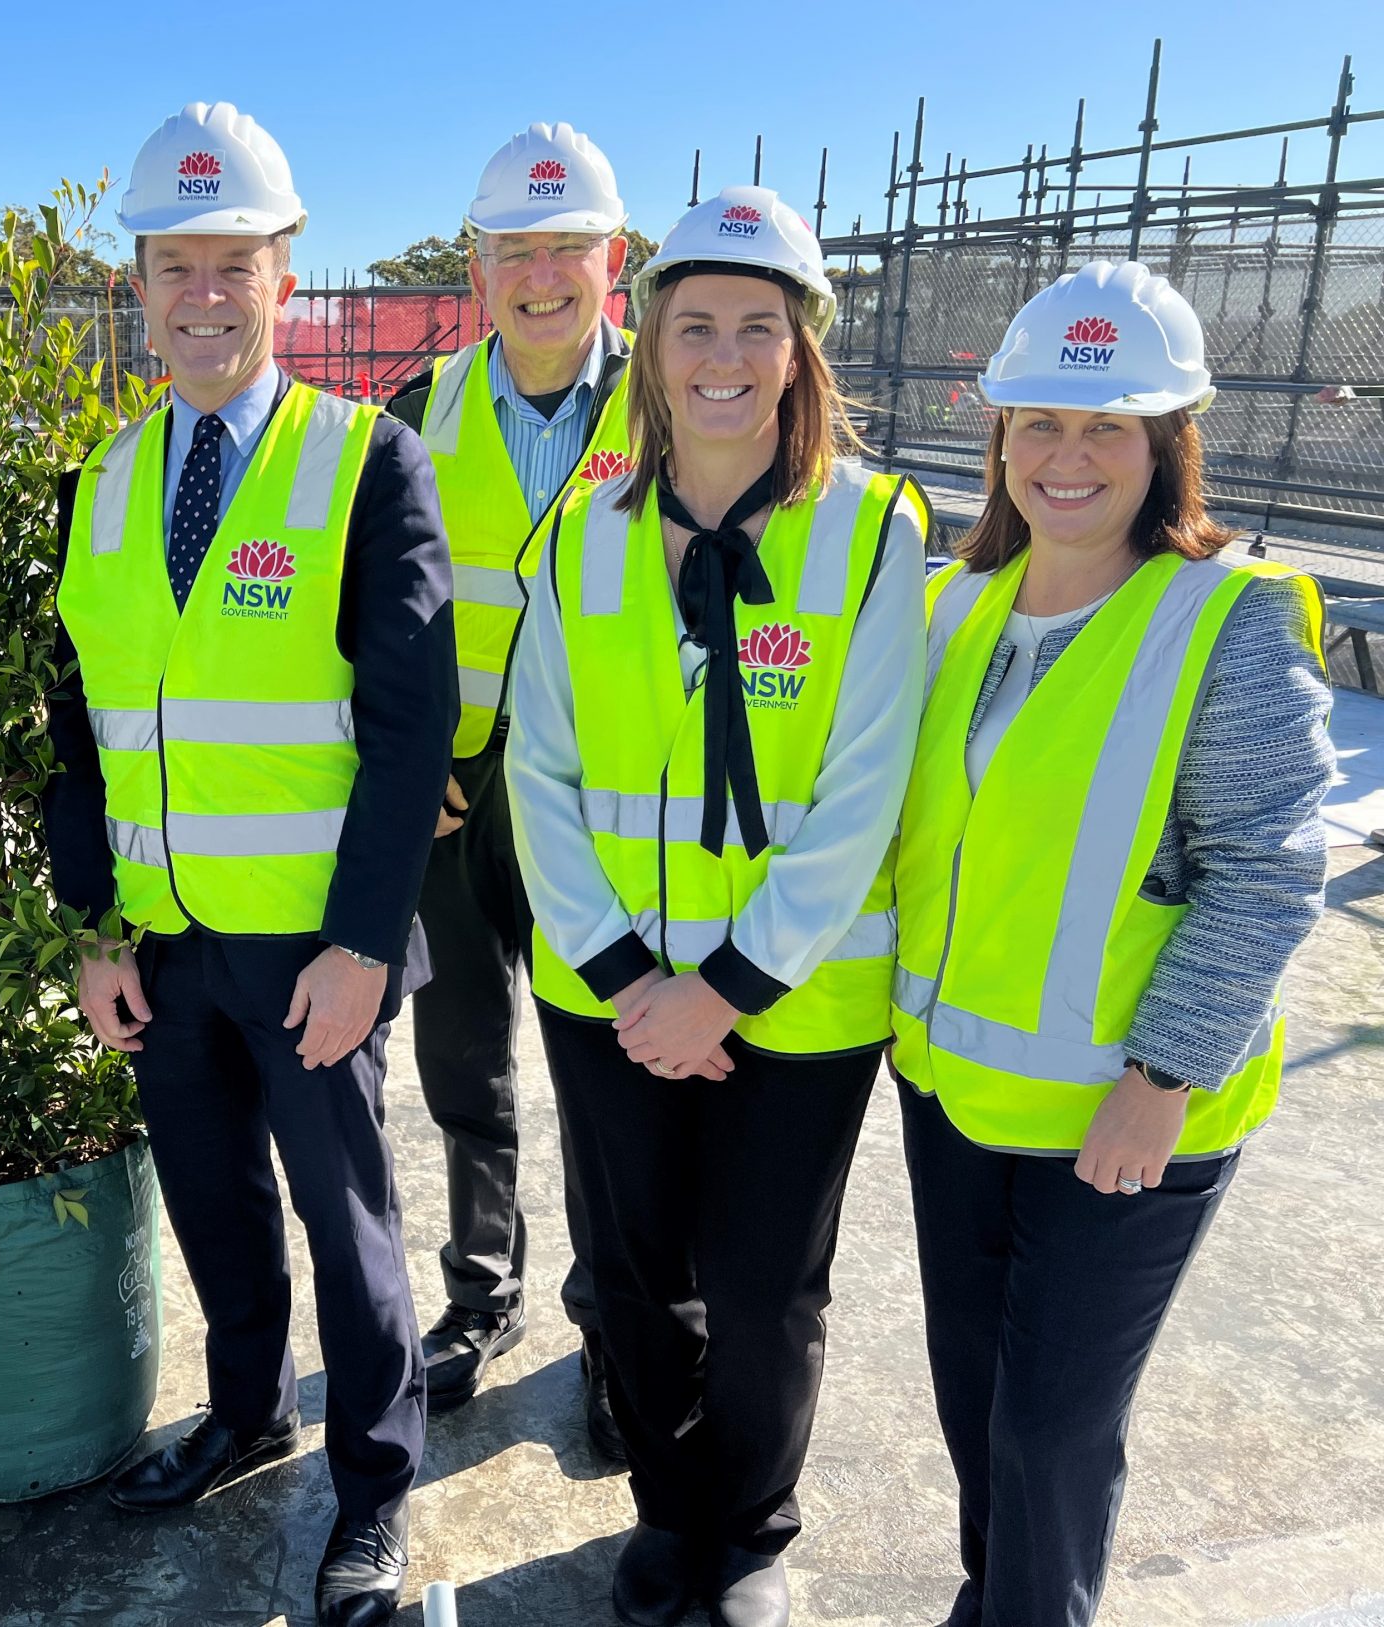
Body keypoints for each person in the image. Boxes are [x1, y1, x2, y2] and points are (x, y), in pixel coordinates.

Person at [44, 101, 454, 1627]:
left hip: (310, 950)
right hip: (160, 943)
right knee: (214, 1207)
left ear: (286, 271)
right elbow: (73, 733)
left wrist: (364, 940)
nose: (202, 293)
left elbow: (413, 733)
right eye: (173, 264)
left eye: (234, 261)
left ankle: (374, 1486)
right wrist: (91, 928)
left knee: (346, 1229)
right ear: (136, 284)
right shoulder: (98, 483)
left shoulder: (364, 463)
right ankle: (242, 1410)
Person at [505, 187, 929, 1627]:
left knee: (762, 1289)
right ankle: (668, 1511)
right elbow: (538, 769)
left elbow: (863, 794)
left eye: (761, 325)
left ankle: (749, 1526)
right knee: (632, 1280)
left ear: (803, 350)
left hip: (797, 1007)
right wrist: (633, 974)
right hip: (605, 995)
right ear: (653, 342)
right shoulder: (577, 538)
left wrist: (724, 987)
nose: (725, 355)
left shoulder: (875, 532)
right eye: (698, 325)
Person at [889, 261, 1334, 1627]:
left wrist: (1161, 1076)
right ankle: (1000, 1598)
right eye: (1040, 425)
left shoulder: (1225, 622)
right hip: (957, 1091)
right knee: (978, 1403)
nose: (1066, 457)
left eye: (1108, 429)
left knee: (1051, 1430)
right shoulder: (954, 609)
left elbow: (1268, 871)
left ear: (1166, 445)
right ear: (1001, 437)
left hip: (1125, 1116)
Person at [383, 122, 631, 1440]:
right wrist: (405, 767)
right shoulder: (419, 412)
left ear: (616, 259)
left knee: (607, 1070)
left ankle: (615, 1314)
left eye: (565, 248)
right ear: (476, 264)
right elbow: (366, 619)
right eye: (514, 249)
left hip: (610, 808)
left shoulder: (680, 404)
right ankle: (486, 1288)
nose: (540, 276)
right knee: (463, 1063)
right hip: (458, 801)